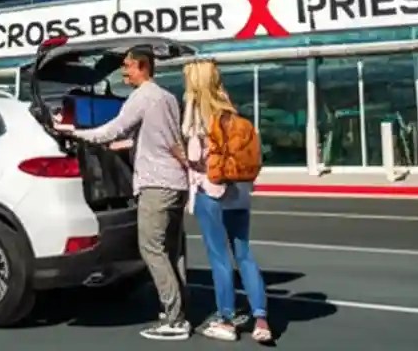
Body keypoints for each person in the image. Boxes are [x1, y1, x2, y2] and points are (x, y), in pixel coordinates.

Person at [57, 46, 192, 341]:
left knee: (151, 249)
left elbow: (111, 130)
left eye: (128, 66)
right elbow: (156, 137)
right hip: (176, 183)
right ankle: (179, 309)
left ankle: (174, 319)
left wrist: (73, 133)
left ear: (143, 66)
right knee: (173, 250)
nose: (123, 71)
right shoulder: (167, 97)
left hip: (155, 183)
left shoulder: (141, 97)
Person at [175, 60, 273, 343]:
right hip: (240, 194)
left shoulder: (200, 119)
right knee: (244, 254)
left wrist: (178, 155)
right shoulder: (233, 115)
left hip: (213, 193)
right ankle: (261, 319)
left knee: (219, 258)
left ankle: (226, 319)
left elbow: (196, 160)